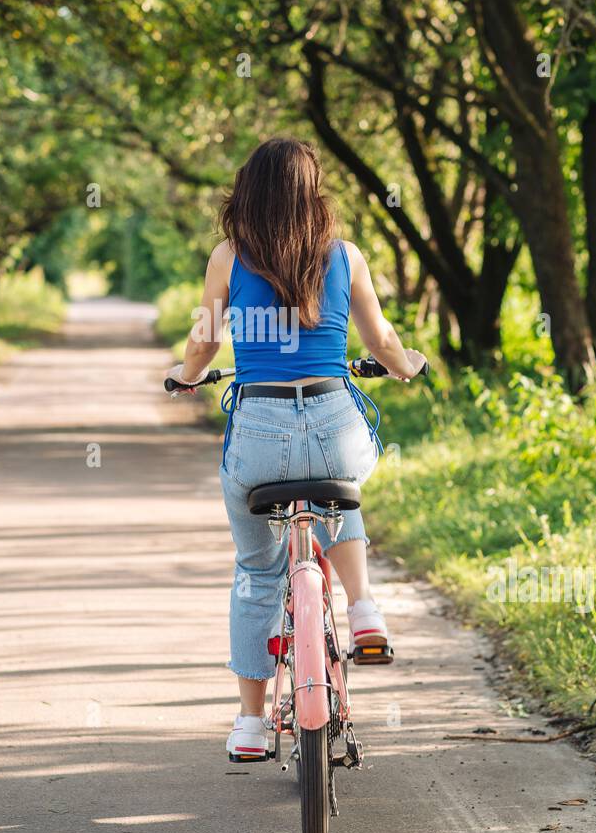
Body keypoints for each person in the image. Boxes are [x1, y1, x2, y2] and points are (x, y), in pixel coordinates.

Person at [165, 137, 427, 758]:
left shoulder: (229, 257)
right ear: (314, 194)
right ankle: (362, 607)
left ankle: (251, 724)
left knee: (258, 571)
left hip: (260, 428)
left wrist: (188, 374)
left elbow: (203, 344)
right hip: (335, 419)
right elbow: (382, 338)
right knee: (341, 485)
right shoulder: (347, 256)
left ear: (247, 193)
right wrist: (405, 364)